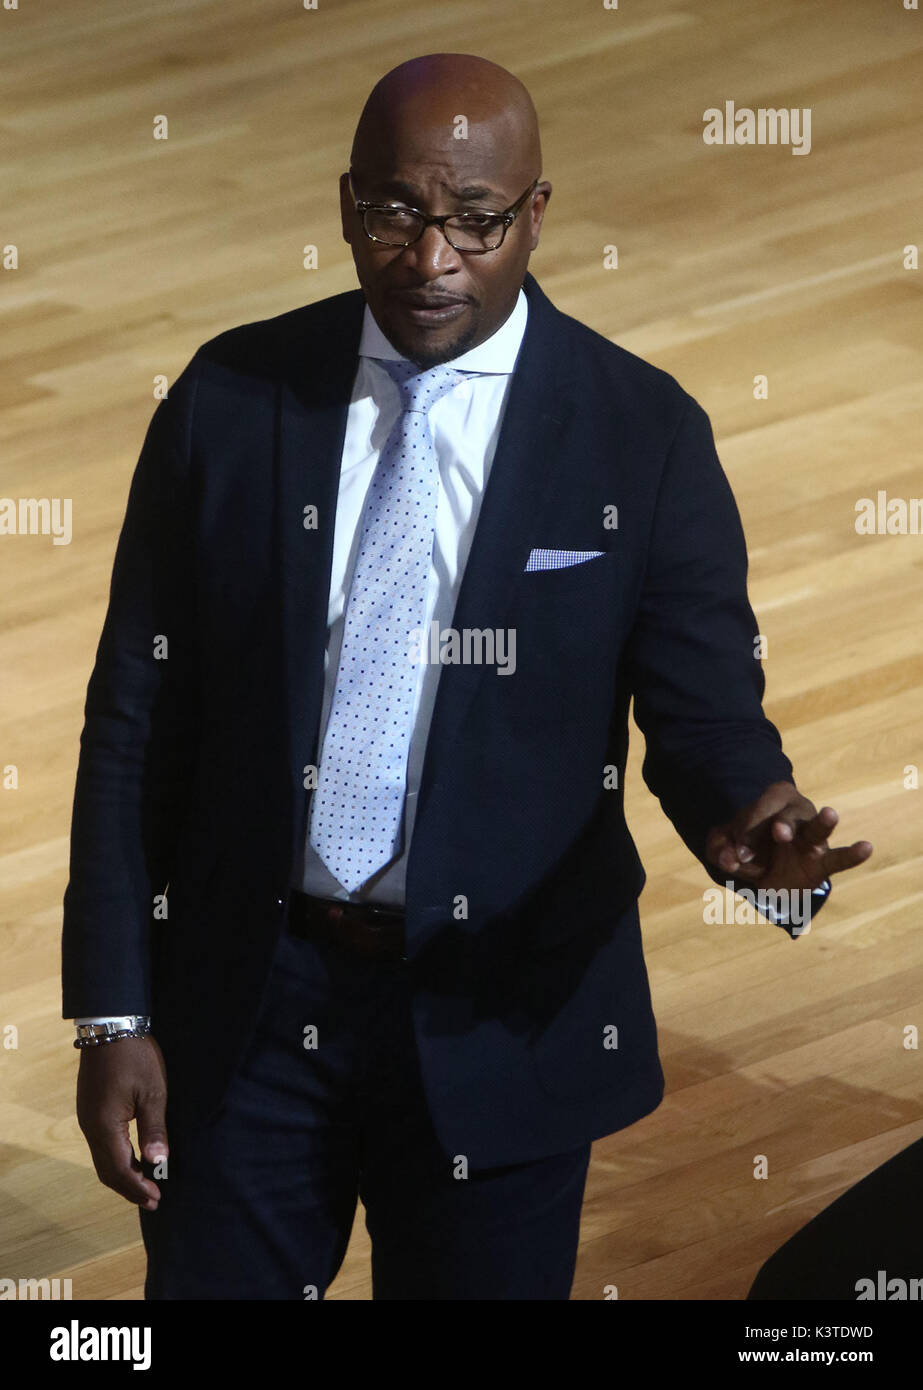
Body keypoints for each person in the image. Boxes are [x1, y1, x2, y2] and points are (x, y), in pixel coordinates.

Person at [62, 52, 873, 1301]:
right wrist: (114, 1014)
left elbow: (702, 712)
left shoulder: (639, 434)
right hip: (248, 1012)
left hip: (501, 1019)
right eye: (396, 213)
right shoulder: (228, 401)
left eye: (475, 222)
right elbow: (133, 721)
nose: (430, 258)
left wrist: (751, 824)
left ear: (534, 217)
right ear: (346, 204)